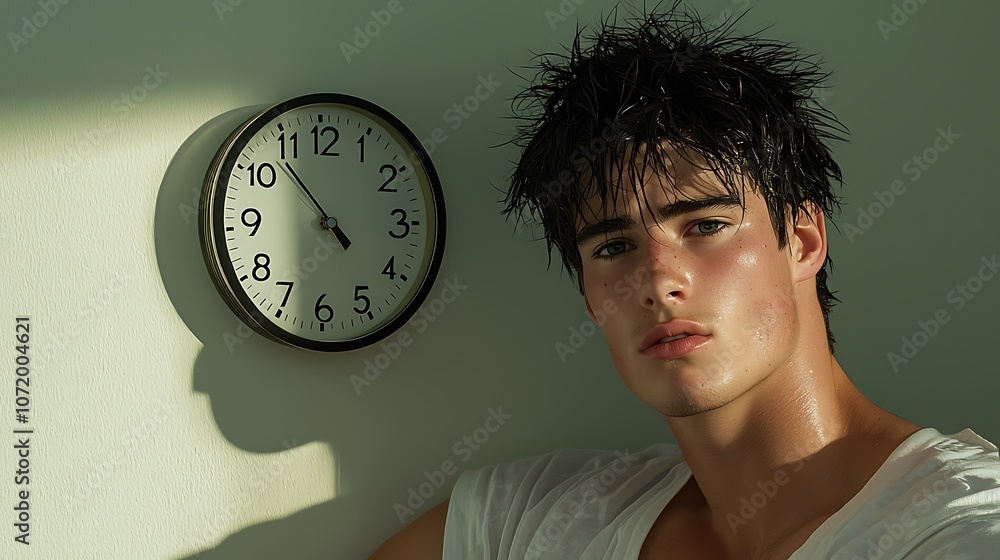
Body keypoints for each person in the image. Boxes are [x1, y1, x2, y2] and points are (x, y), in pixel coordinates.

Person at [371, 1, 1000, 558]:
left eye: (704, 226)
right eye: (614, 246)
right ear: (589, 295)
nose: (657, 280)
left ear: (802, 241)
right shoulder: (530, 520)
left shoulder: (959, 527)